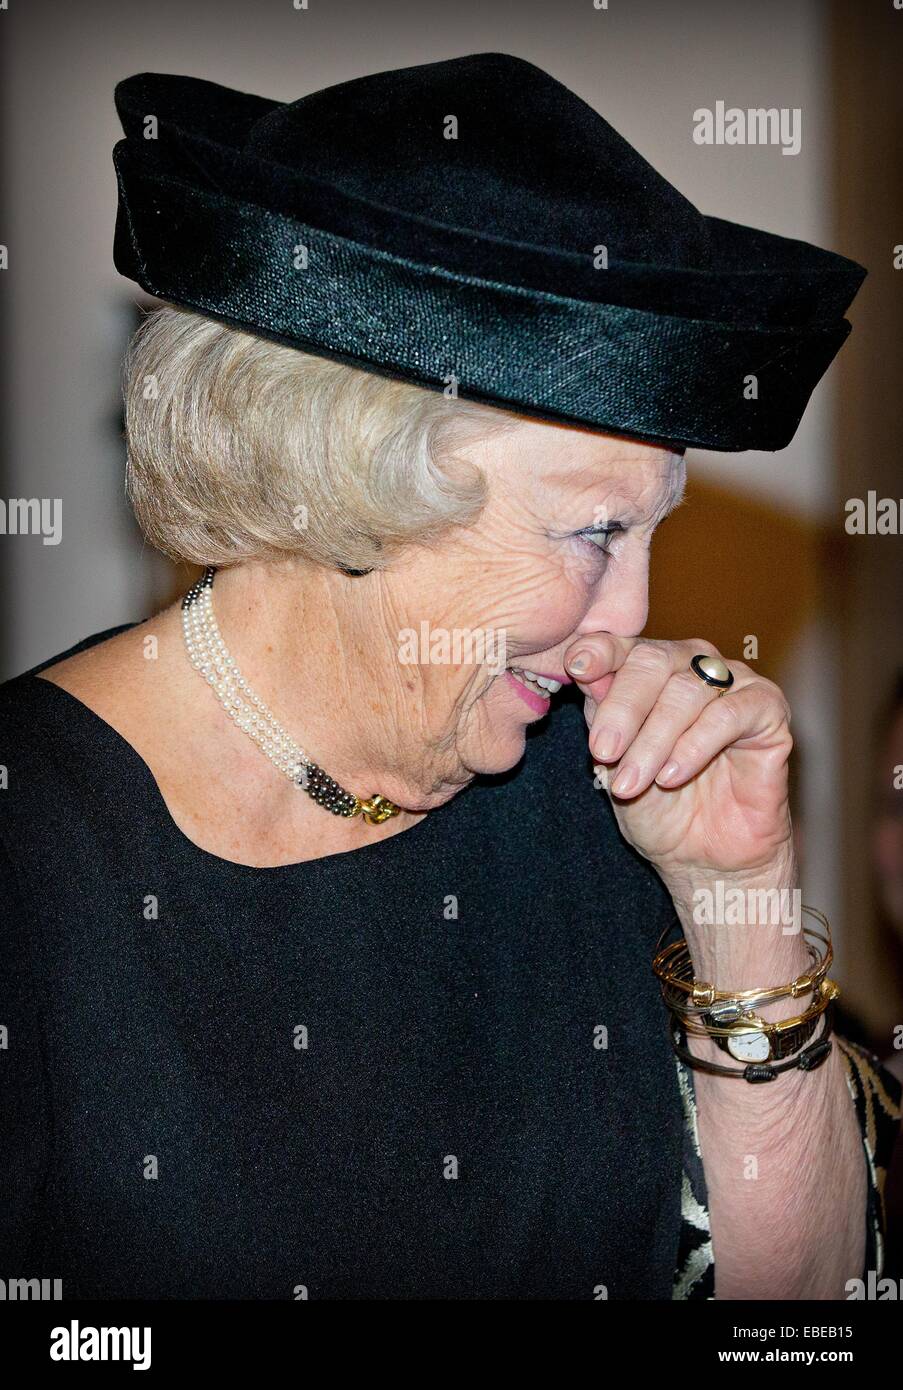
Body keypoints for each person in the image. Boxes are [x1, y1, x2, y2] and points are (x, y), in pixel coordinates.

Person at [0, 52, 898, 1300]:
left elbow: (797, 1312)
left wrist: (738, 897)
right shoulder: (35, 852)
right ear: (353, 481)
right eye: (591, 535)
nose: (629, 623)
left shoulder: (606, 784)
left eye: (650, 536)